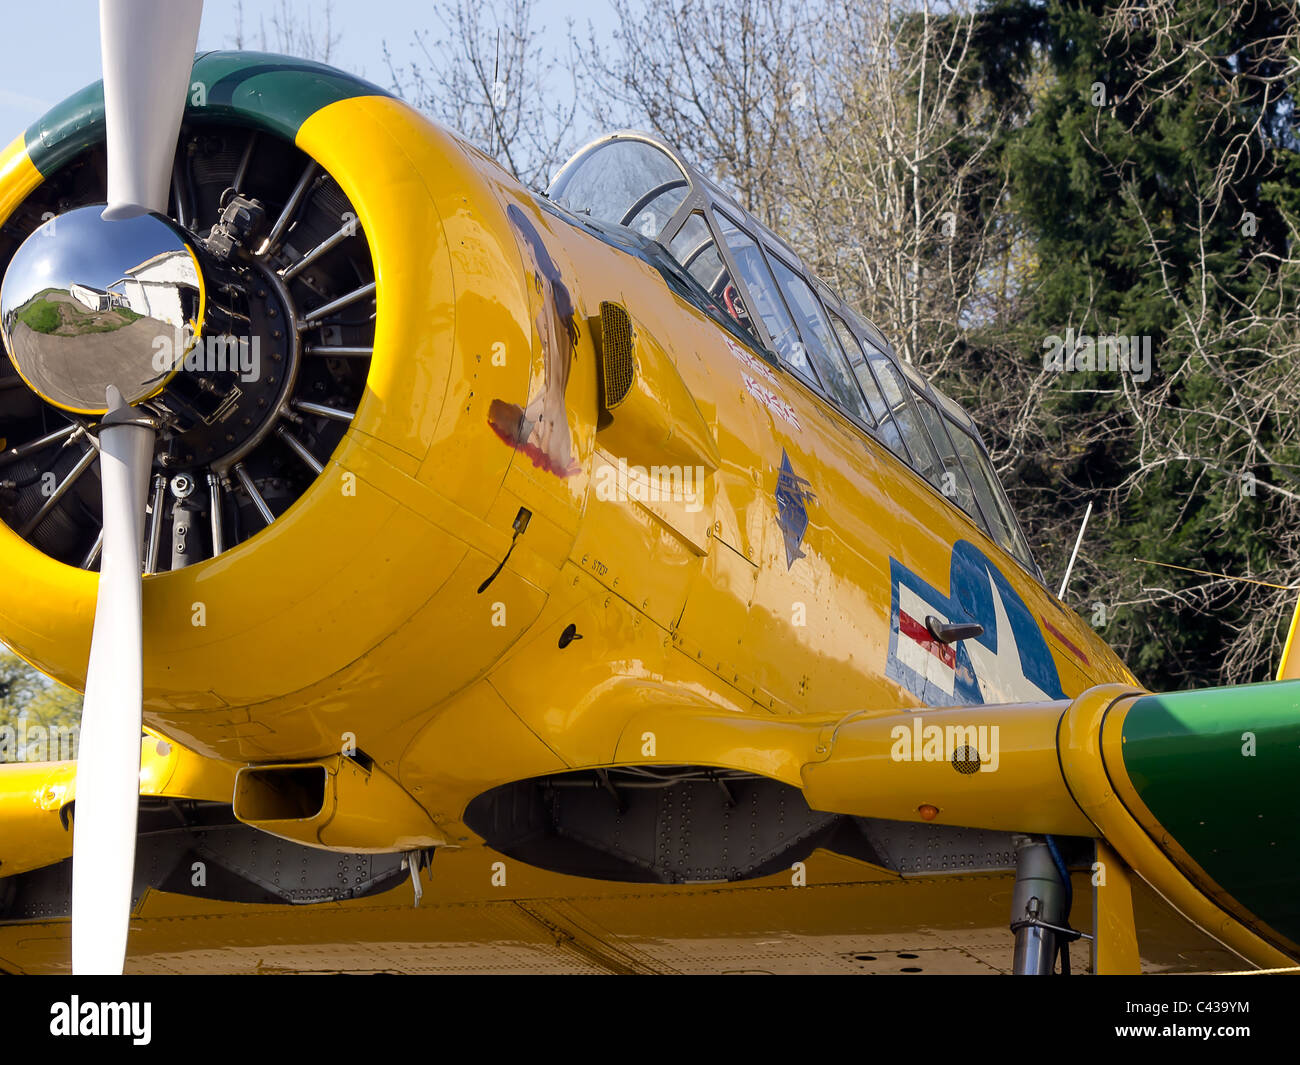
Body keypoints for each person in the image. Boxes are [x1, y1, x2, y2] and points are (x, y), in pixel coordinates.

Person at [488, 204, 581, 478]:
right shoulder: (553, 297)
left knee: (494, 412)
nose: (526, 250)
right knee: (496, 412)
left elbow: (556, 372)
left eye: (527, 243)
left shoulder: (551, 298)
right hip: (546, 411)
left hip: (548, 418)